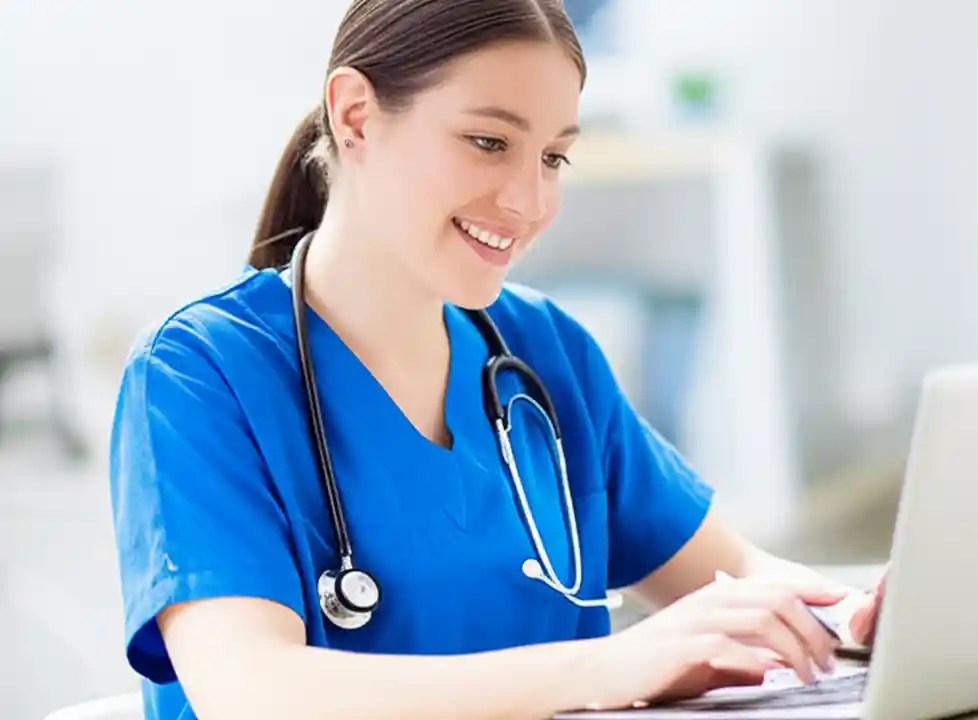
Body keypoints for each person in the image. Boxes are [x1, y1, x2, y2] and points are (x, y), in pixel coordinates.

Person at [108, 1, 885, 718]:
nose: (530, 201)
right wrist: (609, 667)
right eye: (489, 143)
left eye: (553, 158)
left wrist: (864, 619)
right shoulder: (198, 373)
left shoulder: (544, 352)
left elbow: (735, 571)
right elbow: (251, 691)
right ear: (355, 117)